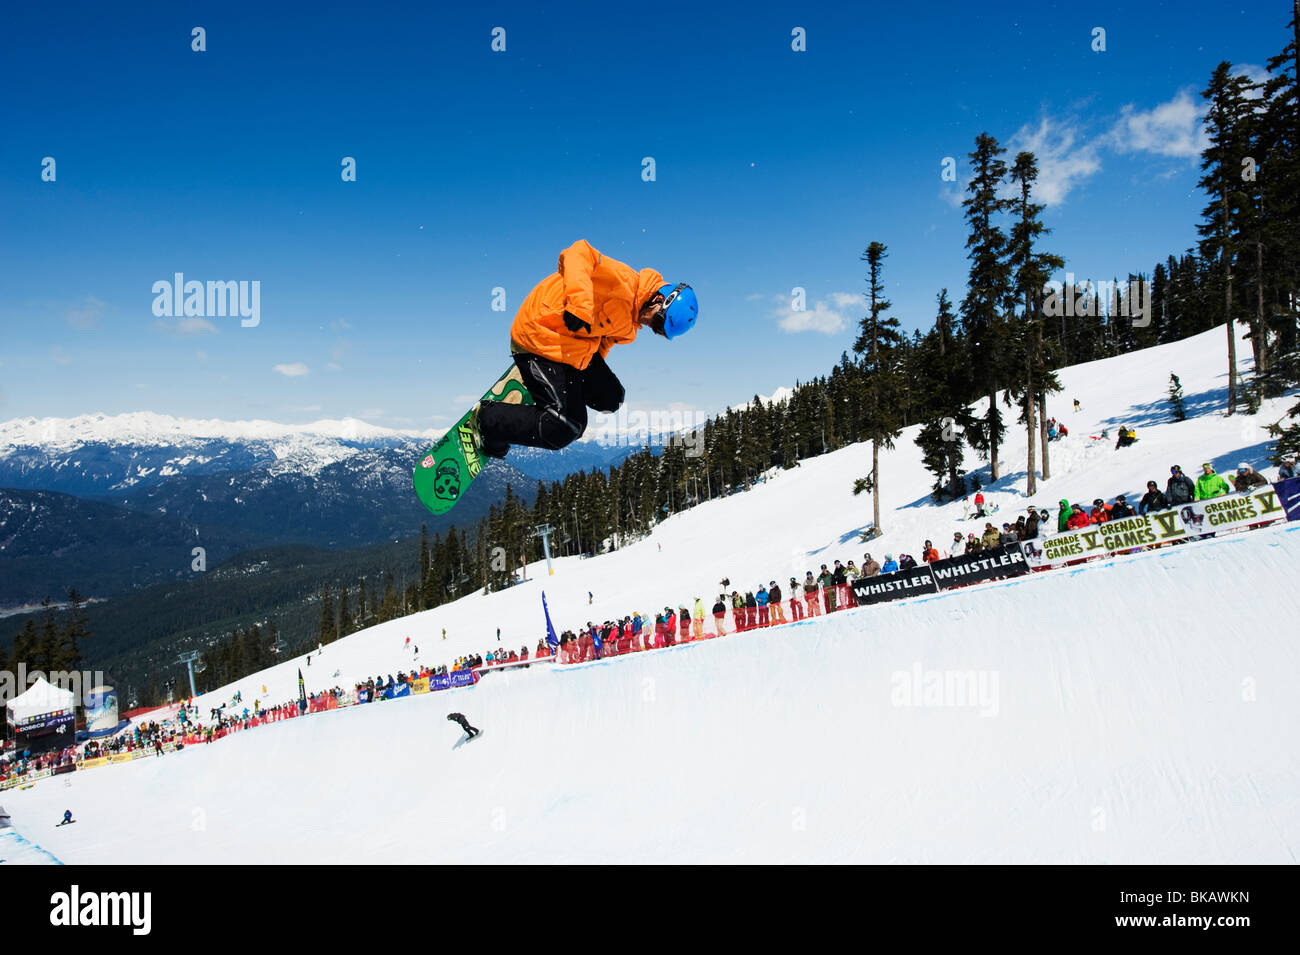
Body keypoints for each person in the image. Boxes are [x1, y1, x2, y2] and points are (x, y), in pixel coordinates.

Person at [472, 239, 697, 457]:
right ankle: (488, 419)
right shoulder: (623, 282)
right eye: (657, 322)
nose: (651, 327)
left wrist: (580, 379)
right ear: (659, 299)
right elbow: (578, 252)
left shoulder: (631, 327)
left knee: (611, 398)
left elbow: (603, 343)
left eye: (659, 331)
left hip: (571, 348)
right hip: (540, 333)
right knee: (565, 427)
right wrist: (580, 305)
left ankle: (547, 388)